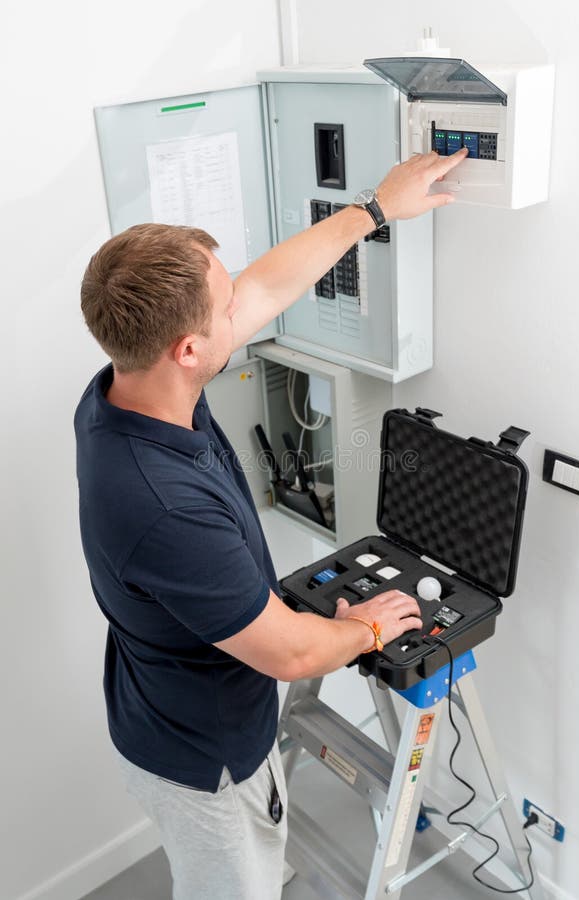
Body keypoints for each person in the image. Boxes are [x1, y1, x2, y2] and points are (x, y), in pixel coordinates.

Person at [74, 147, 468, 900]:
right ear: (189, 350)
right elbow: (289, 655)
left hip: (161, 707)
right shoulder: (163, 508)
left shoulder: (122, 390)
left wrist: (375, 208)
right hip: (204, 761)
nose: (240, 307)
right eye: (225, 309)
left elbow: (264, 285)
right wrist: (371, 628)